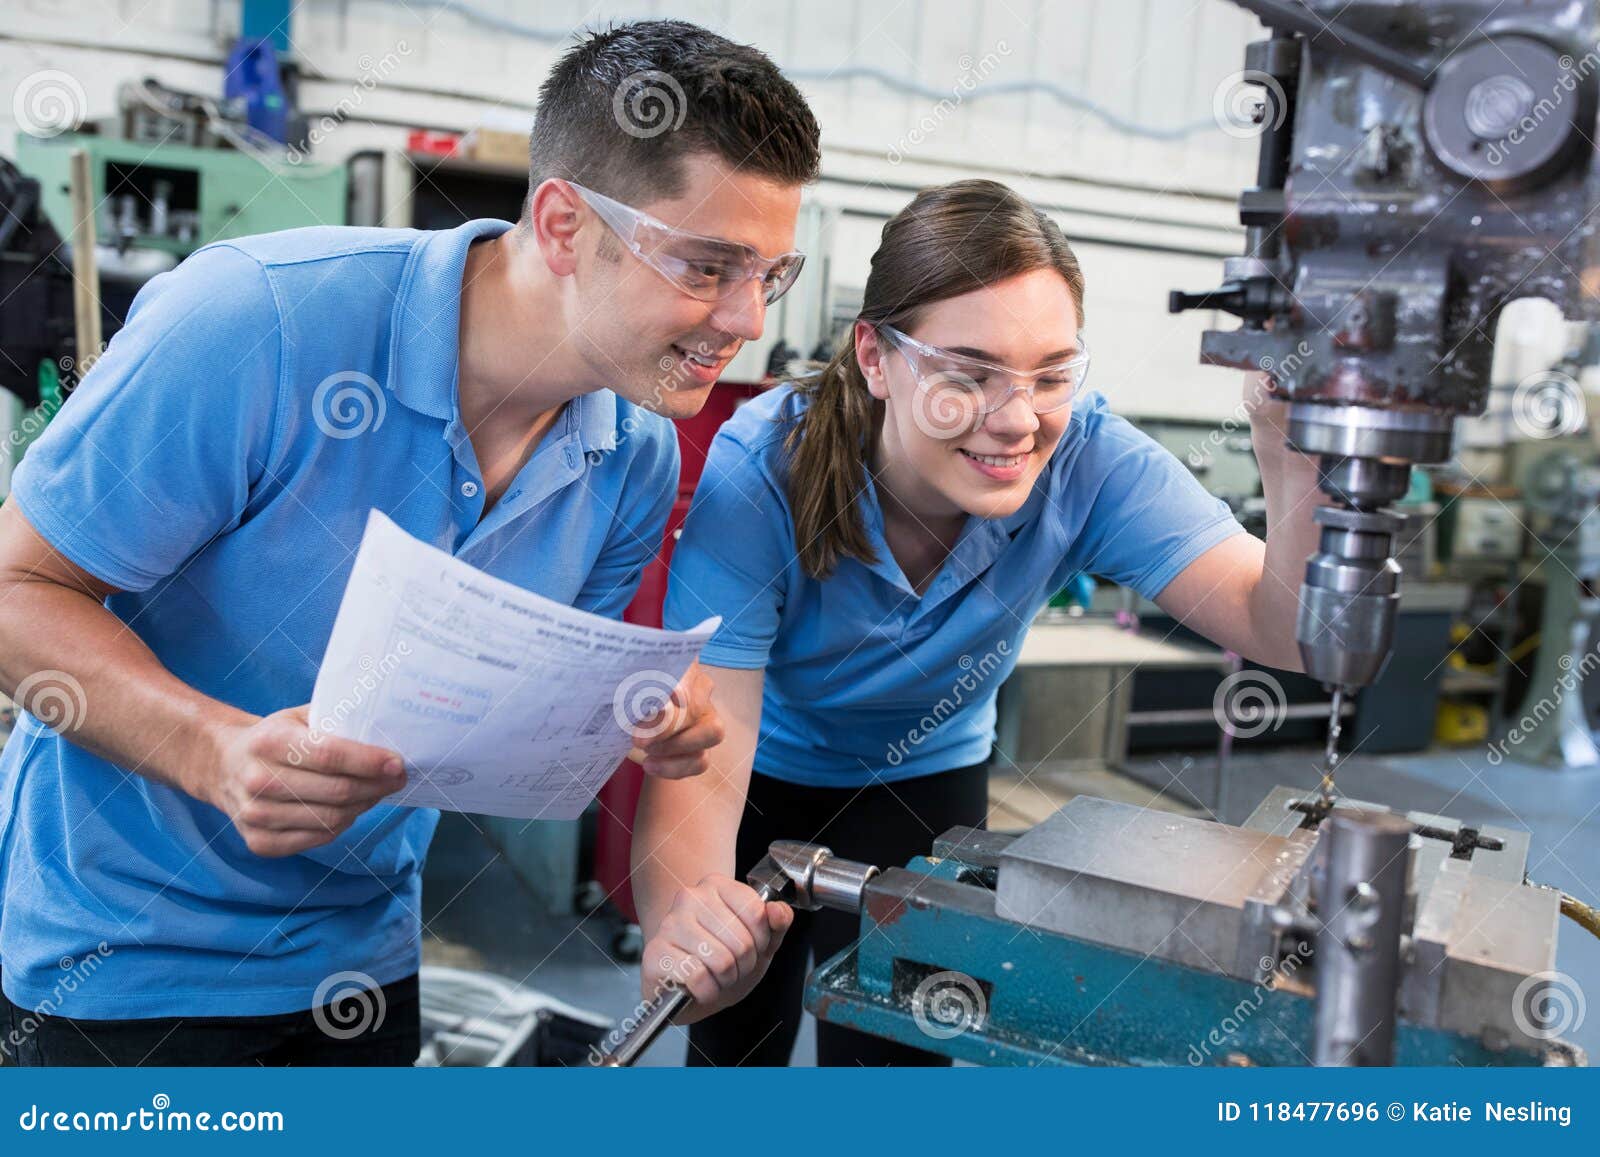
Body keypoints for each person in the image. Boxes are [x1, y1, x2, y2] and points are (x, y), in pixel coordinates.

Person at [0, 20, 819, 1066]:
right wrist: (213, 752)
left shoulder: (632, 456)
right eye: (708, 266)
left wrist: (622, 718)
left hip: (362, 962)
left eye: (770, 274)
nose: (745, 317)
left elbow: (504, 702)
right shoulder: (259, 321)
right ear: (564, 225)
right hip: (120, 964)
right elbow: (17, 584)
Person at [631, 179, 1325, 1066]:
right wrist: (685, 925)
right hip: (762, 772)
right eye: (967, 373)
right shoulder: (763, 472)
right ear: (875, 357)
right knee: (730, 1036)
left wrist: (1289, 454)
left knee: (897, 1057)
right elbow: (706, 740)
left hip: (928, 777)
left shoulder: (1090, 463)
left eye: (1050, 374)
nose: (1014, 420)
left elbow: (1286, 629)